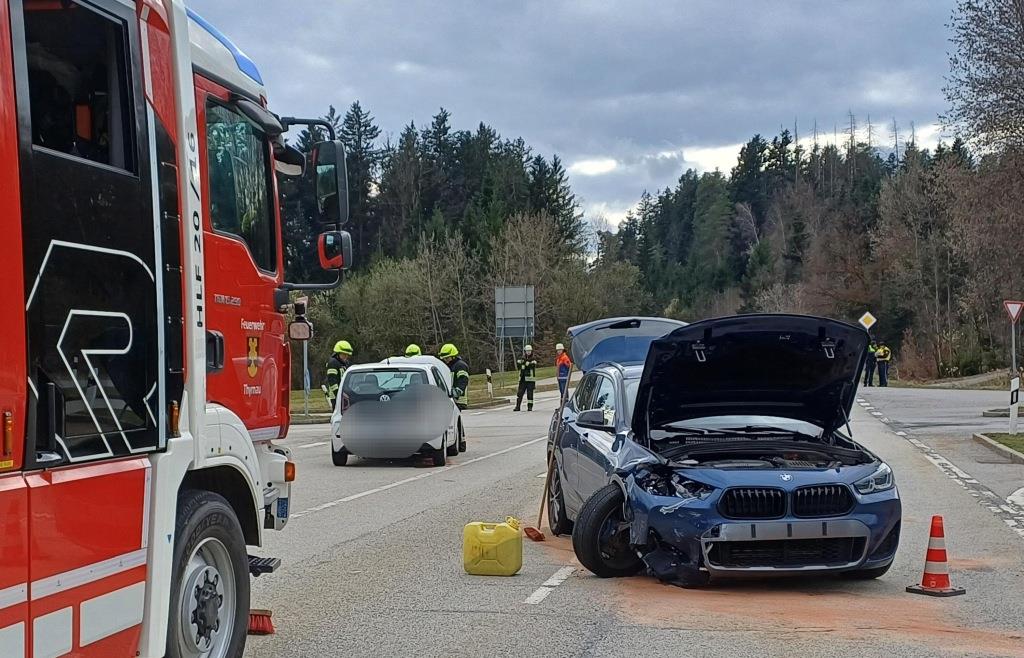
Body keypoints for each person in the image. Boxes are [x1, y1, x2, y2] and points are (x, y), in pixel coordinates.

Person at [323, 340, 353, 410]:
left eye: (347, 354)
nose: (346, 356)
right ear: (338, 353)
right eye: (344, 354)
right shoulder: (333, 363)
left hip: (344, 395)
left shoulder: (344, 364)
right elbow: (332, 381)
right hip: (336, 397)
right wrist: (339, 396)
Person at [439, 343, 469, 409]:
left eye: (447, 358)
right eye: (444, 358)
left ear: (453, 356)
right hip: (450, 401)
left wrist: (456, 393)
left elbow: (463, 380)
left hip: (459, 402)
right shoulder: (447, 367)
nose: (445, 360)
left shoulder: (460, 366)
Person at [514, 344, 538, 411]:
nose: (528, 352)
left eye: (529, 351)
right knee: (520, 393)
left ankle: (530, 407)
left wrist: (526, 363)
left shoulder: (533, 358)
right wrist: (522, 363)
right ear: (525, 351)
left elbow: (532, 365)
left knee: (530, 395)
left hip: (530, 380)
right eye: (527, 351)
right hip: (522, 379)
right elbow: (519, 365)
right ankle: (517, 407)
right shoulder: (522, 358)